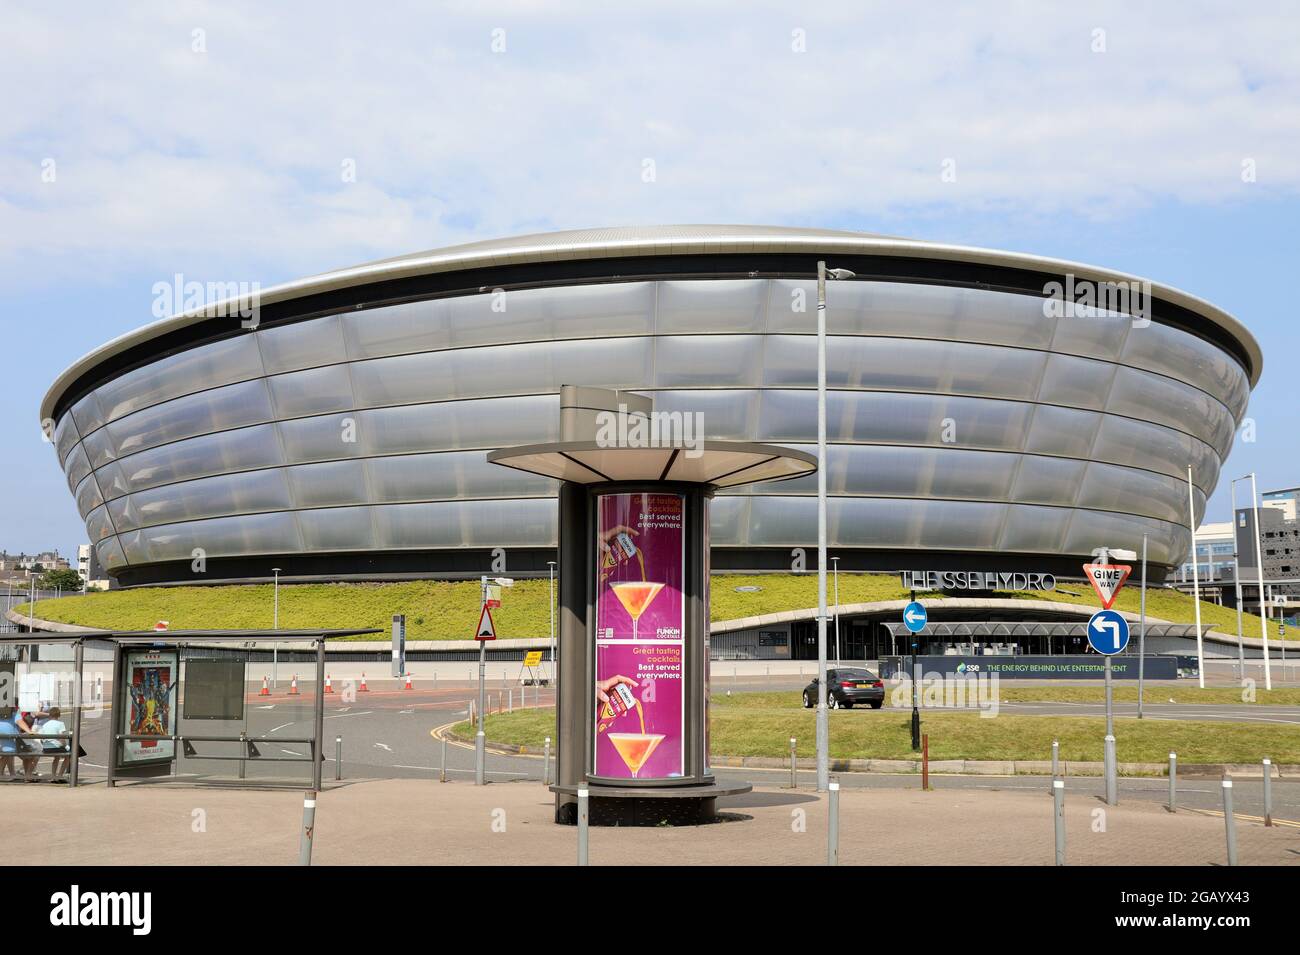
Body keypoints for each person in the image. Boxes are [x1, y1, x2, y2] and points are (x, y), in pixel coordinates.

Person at [38, 706, 70, 780]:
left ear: (50, 715)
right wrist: (66, 746)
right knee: (68, 757)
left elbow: (41, 737)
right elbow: (61, 738)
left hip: (46, 748)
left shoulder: (45, 725)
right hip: (56, 747)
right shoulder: (60, 724)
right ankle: (60, 775)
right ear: (58, 715)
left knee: (56, 758)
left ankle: (53, 776)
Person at [0, 707, 18, 779]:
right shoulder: (14, 714)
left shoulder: (12, 714)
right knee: (7, 755)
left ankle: (11, 773)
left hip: (6, 737)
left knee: (8, 755)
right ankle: (4, 773)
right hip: (5, 737)